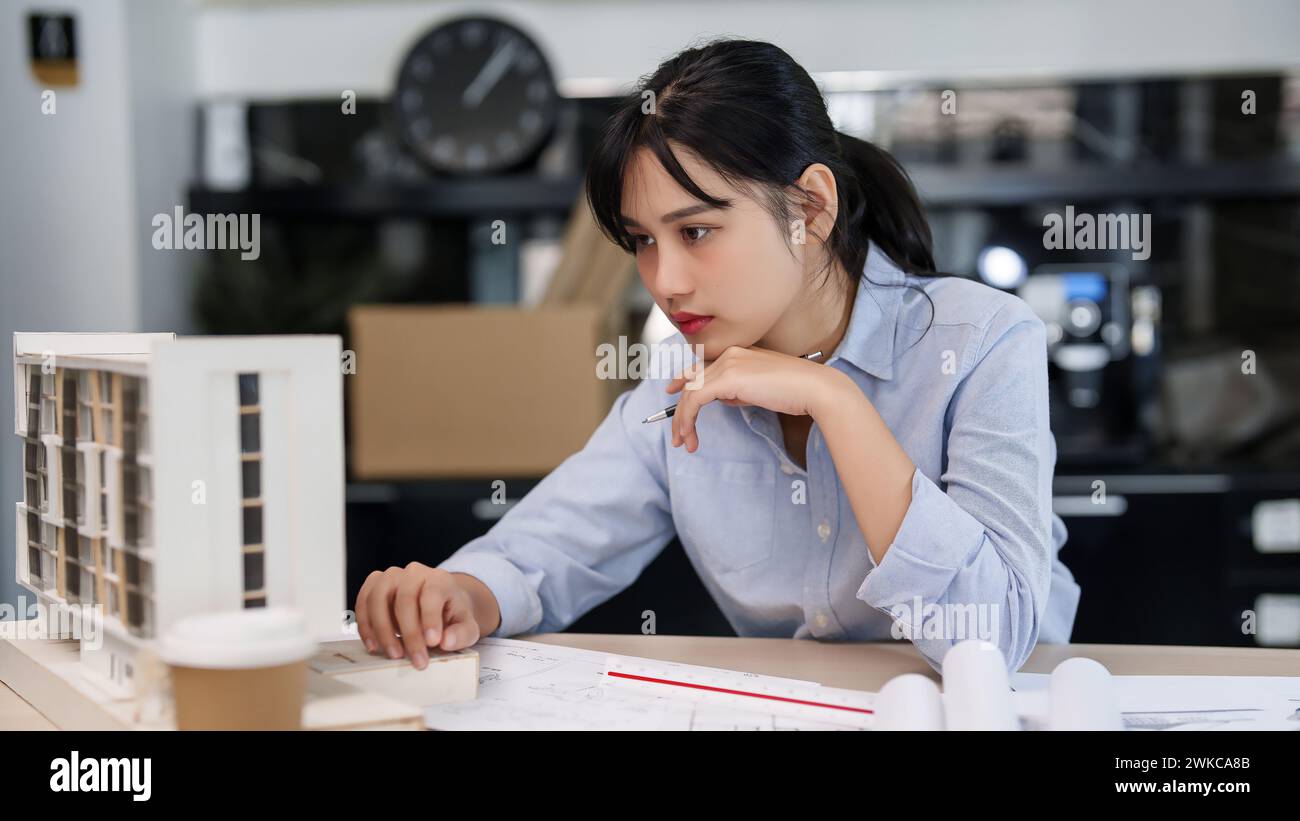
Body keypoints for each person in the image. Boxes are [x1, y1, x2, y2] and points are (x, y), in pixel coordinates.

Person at [354, 38, 1080, 673]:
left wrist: (834, 399)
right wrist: (457, 596)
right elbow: (539, 554)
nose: (665, 281)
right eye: (643, 240)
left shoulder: (982, 340)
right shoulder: (680, 383)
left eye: (695, 231)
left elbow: (993, 634)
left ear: (810, 209)